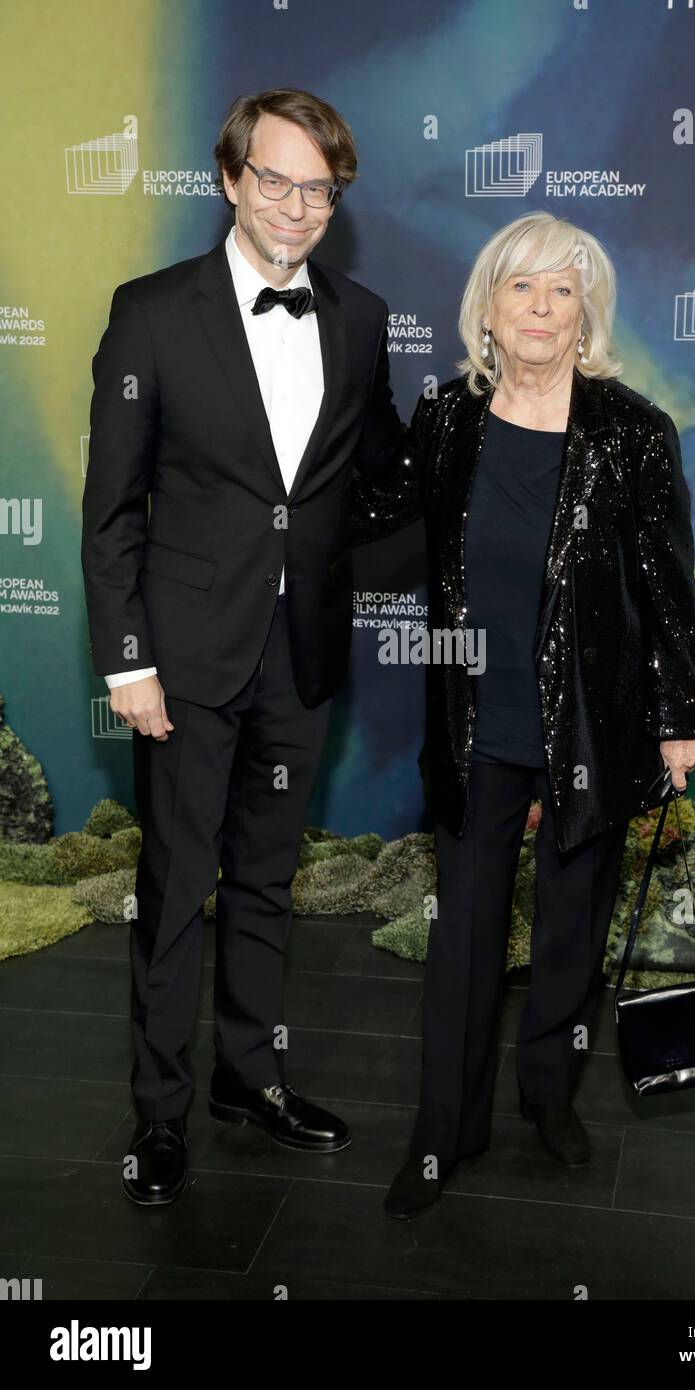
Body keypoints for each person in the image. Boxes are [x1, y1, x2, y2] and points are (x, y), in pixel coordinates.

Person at [81, 87, 408, 1205]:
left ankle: (249, 1077)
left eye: (319, 188)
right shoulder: (153, 312)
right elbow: (113, 507)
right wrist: (128, 659)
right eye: (275, 179)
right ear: (229, 180)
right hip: (180, 656)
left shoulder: (359, 320)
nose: (297, 206)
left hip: (300, 649)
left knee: (268, 879)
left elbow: (381, 478)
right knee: (176, 887)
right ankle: (160, 1113)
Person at [353, 211, 695, 1219]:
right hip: (476, 721)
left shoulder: (635, 432)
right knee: (461, 938)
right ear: (491, 308)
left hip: (594, 725)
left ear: (584, 310)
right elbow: (375, 507)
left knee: (567, 936)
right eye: (523, 288)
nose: (543, 308)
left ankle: (549, 1095)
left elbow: (667, 587)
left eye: (563, 290)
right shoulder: (448, 420)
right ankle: (443, 1131)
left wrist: (681, 714)